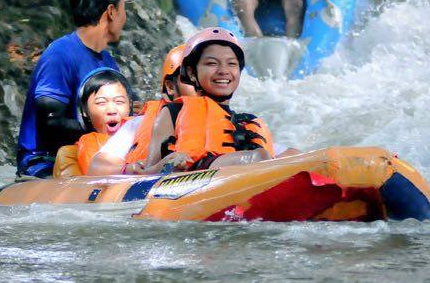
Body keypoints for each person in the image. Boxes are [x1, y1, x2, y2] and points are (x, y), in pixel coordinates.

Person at [15, 0, 133, 177]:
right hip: (46, 161)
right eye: (123, 11)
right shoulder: (60, 55)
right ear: (111, 12)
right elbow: (51, 121)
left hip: (94, 153)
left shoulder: (107, 61)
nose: (125, 18)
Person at [145, 28, 275, 173]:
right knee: (259, 157)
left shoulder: (247, 122)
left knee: (291, 152)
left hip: (244, 178)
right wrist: (168, 163)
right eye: (212, 63)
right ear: (191, 73)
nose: (223, 71)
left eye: (231, 64)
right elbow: (147, 174)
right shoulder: (173, 111)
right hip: (194, 176)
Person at [86, 44, 197, 175]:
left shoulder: (225, 120)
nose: (200, 83)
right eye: (189, 77)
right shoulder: (139, 123)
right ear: (170, 86)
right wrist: (133, 169)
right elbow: (96, 168)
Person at [53, 69, 134, 177]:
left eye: (119, 102)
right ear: (85, 110)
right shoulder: (70, 155)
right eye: (101, 102)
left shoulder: (151, 140)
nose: (112, 110)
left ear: (130, 105)